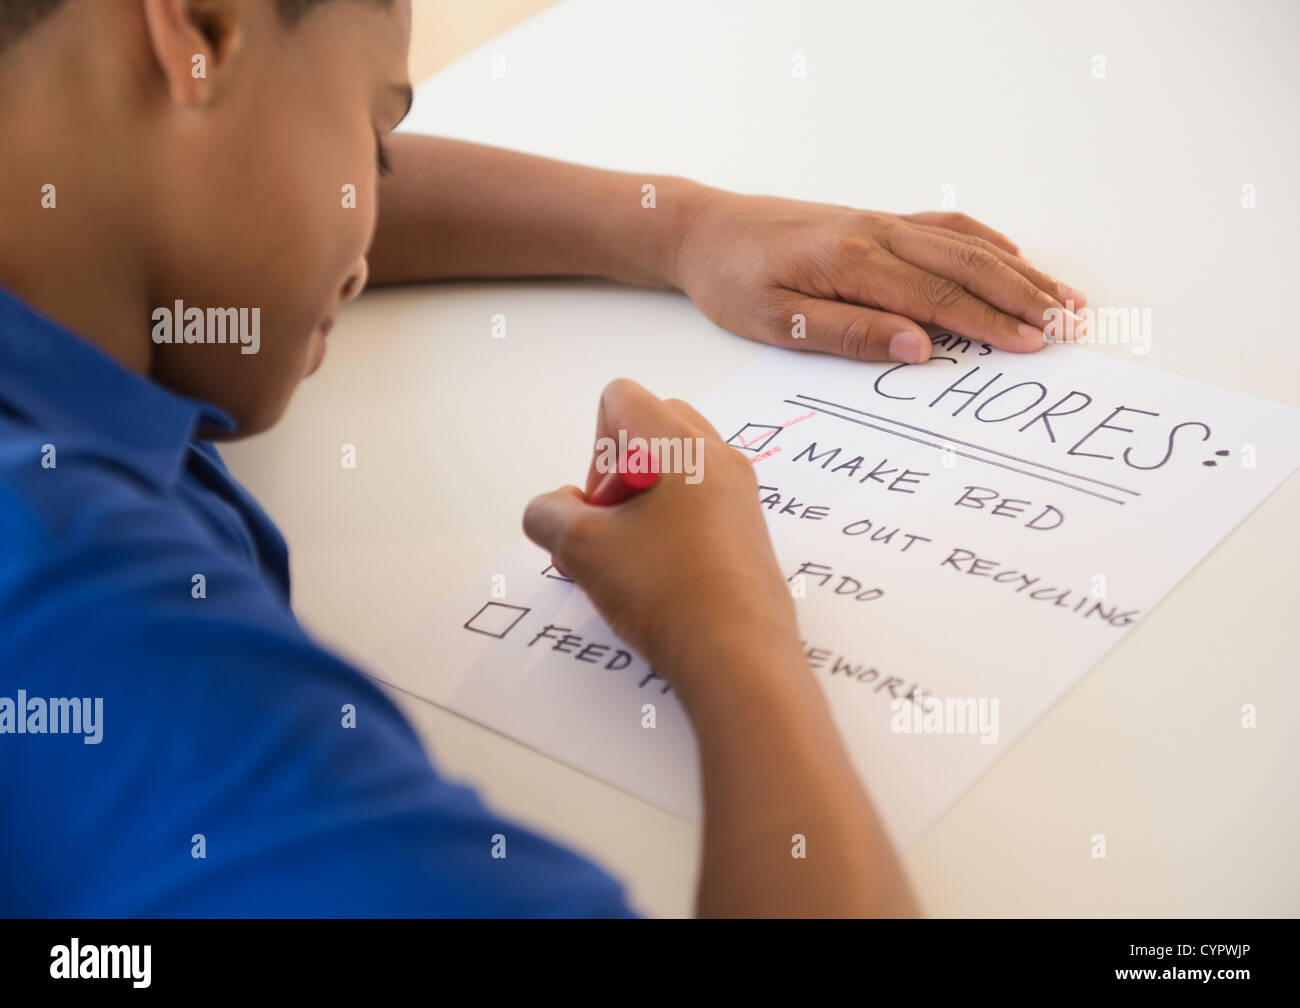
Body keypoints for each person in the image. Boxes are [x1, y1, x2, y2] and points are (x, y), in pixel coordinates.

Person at [0, 0, 1084, 916]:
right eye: (374, 136)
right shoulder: (95, 630)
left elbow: (213, 162)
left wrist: (679, 227)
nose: (369, 218)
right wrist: (728, 634)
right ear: (200, 28)